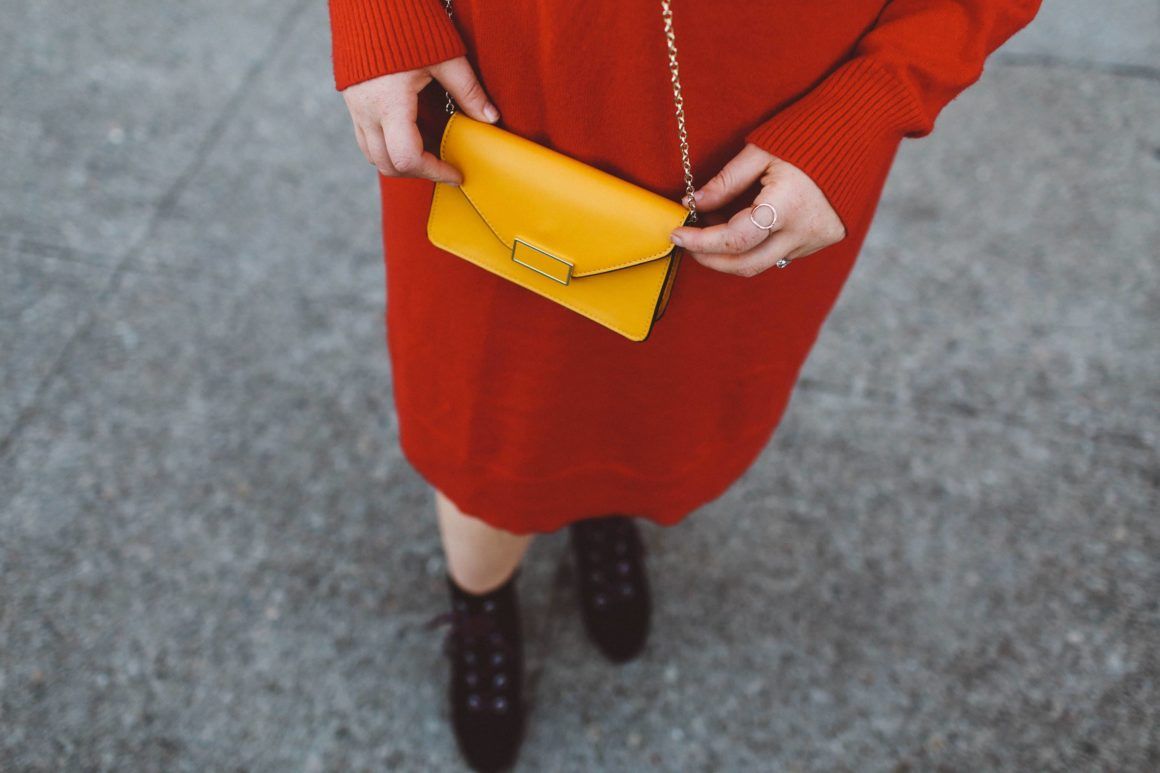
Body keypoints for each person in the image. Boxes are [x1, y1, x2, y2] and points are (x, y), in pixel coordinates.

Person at [326, 1, 1042, 769]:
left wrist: (871, 105)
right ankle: (481, 605)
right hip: (500, 100)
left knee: (651, 408)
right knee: (491, 413)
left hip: (760, 139)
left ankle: (598, 502)